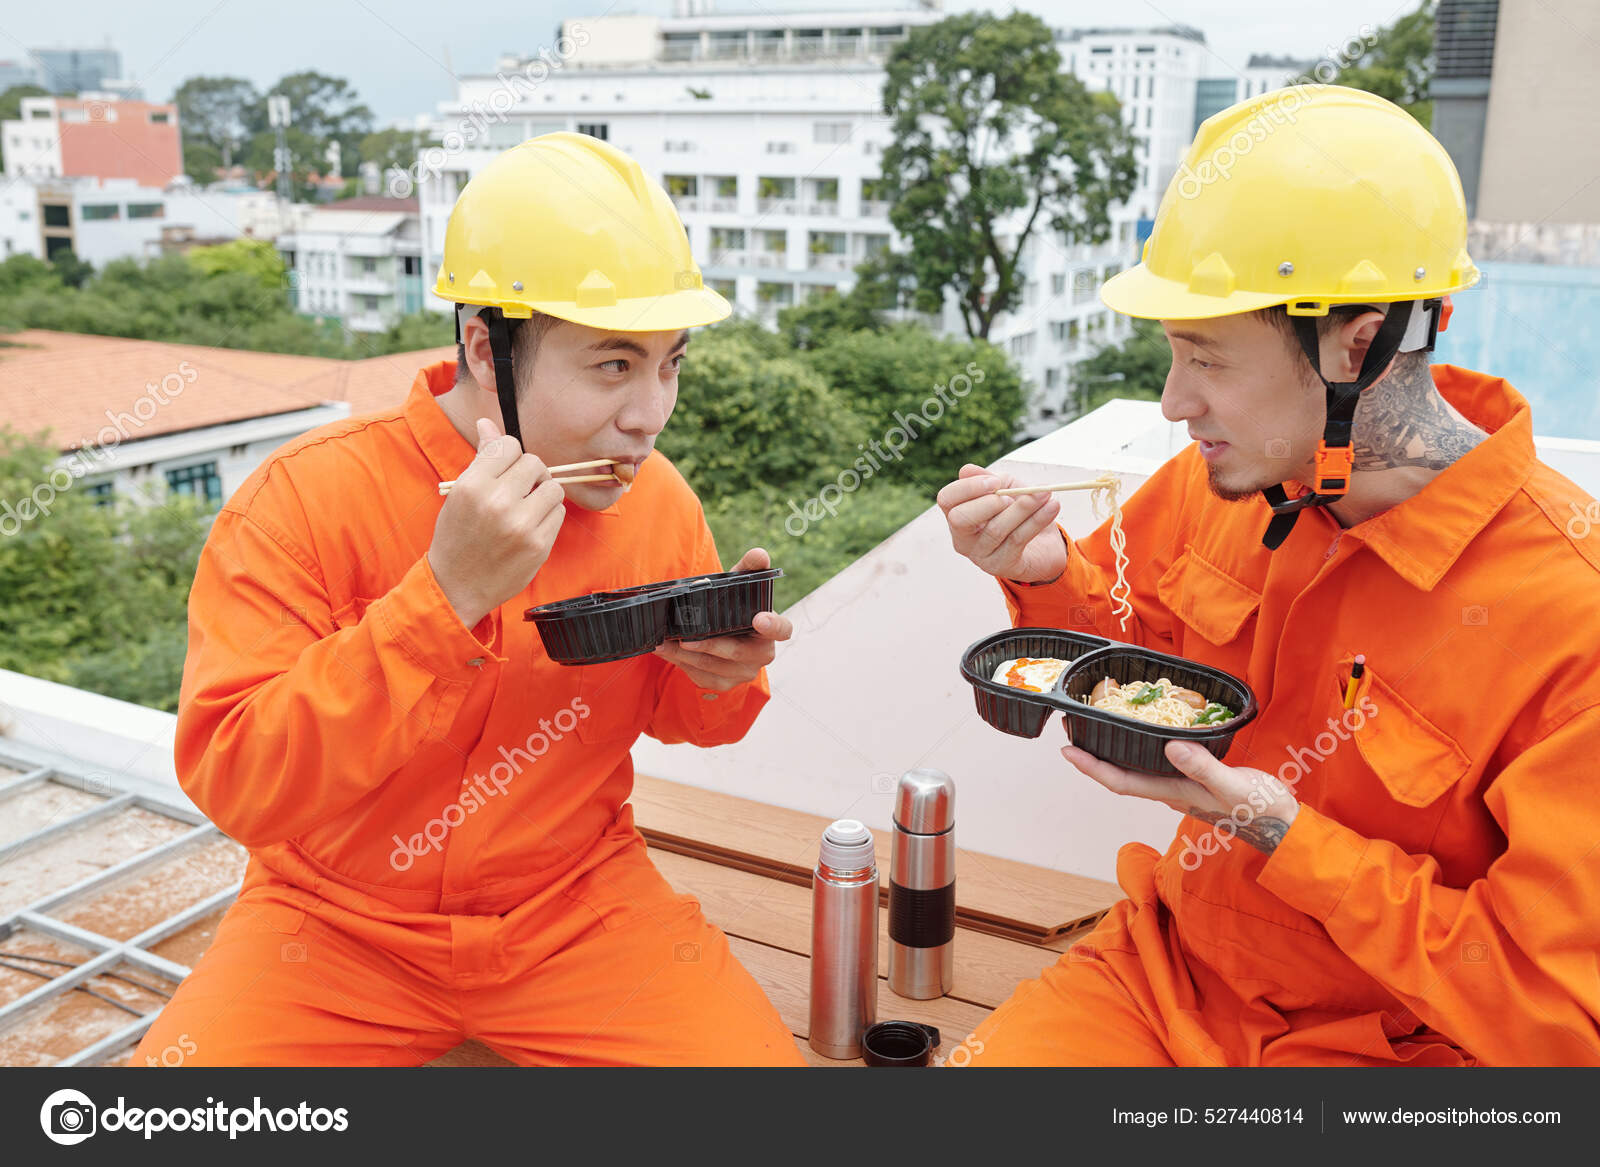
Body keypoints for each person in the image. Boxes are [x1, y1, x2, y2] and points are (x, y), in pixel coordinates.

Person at [938, 87, 1600, 1066]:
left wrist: (1282, 833)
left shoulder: (1569, 613)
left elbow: (1551, 1016)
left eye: (1204, 358)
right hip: (1163, 979)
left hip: (1404, 1052)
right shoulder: (1229, 480)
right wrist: (1046, 580)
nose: (1172, 403)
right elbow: (1139, 660)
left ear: (1357, 344)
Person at [133, 133, 803, 1067]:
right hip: (330, 926)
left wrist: (723, 676)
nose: (651, 412)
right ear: (488, 348)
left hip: (578, 908)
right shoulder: (301, 501)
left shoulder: (656, 500)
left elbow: (685, 717)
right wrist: (442, 599)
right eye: (613, 365)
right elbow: (239, 780)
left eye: (670, 363)